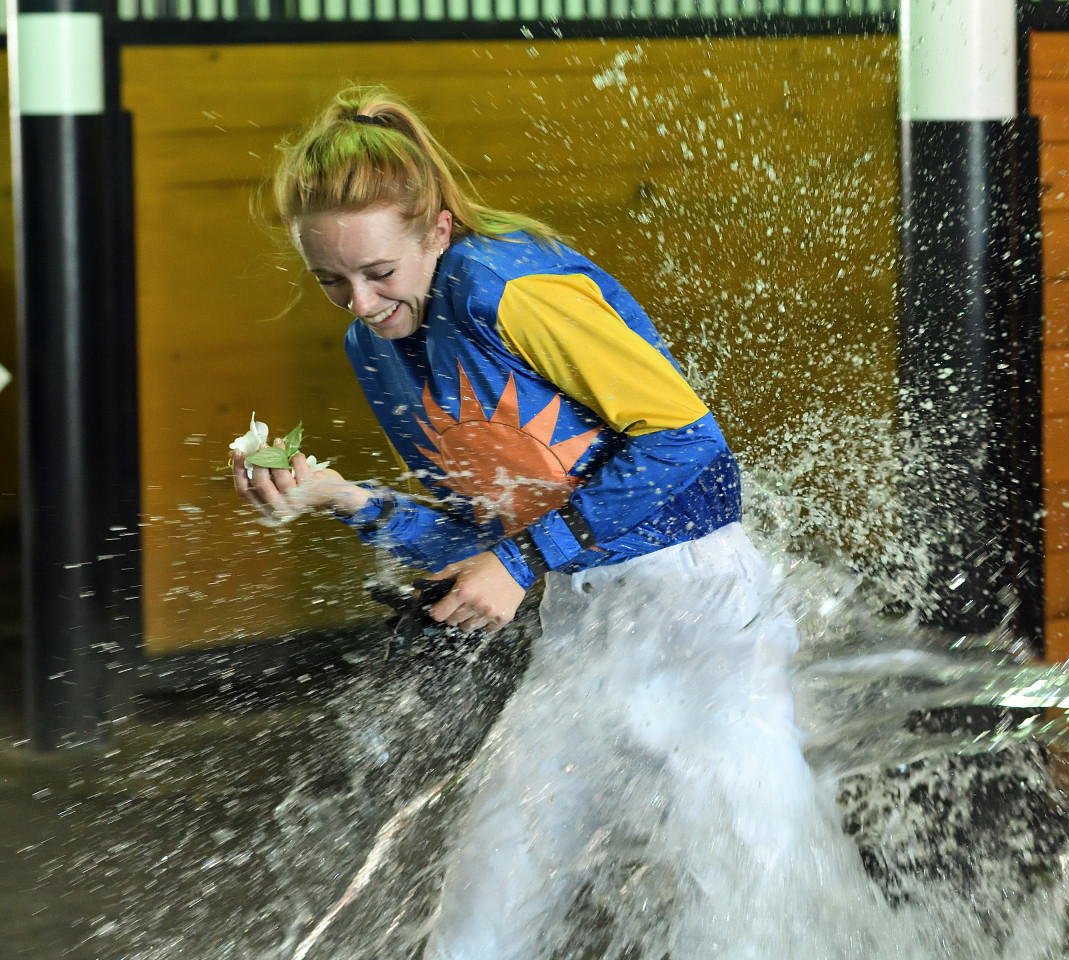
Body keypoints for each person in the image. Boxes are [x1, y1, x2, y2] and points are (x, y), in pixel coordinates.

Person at [232, 85, 822, 959]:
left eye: (378, 274)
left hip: (706, 622)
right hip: (585, 635)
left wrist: (525, 560)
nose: (358, 303)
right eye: (331, 281)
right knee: (481, 915)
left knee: (747, 925)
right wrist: (341, 498)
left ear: (435, 231)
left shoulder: (508, 289)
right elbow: (483, 542)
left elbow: (694, 447)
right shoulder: (376, 346)